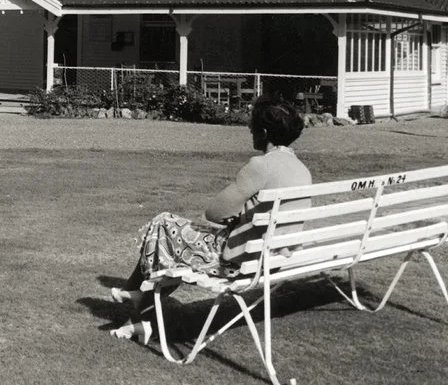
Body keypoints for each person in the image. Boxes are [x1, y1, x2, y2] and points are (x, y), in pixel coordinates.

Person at [108, 96, 310, 343]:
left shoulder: (261, 165)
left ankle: (138, 298)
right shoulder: (301, 169)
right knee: (170, 235)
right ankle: (140, 309)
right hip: (271, 258)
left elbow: (214, 213)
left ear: (265, 132)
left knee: (163, 223)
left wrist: (236, 216)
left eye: (252, 126)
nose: (249, 130)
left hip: (237, 262)